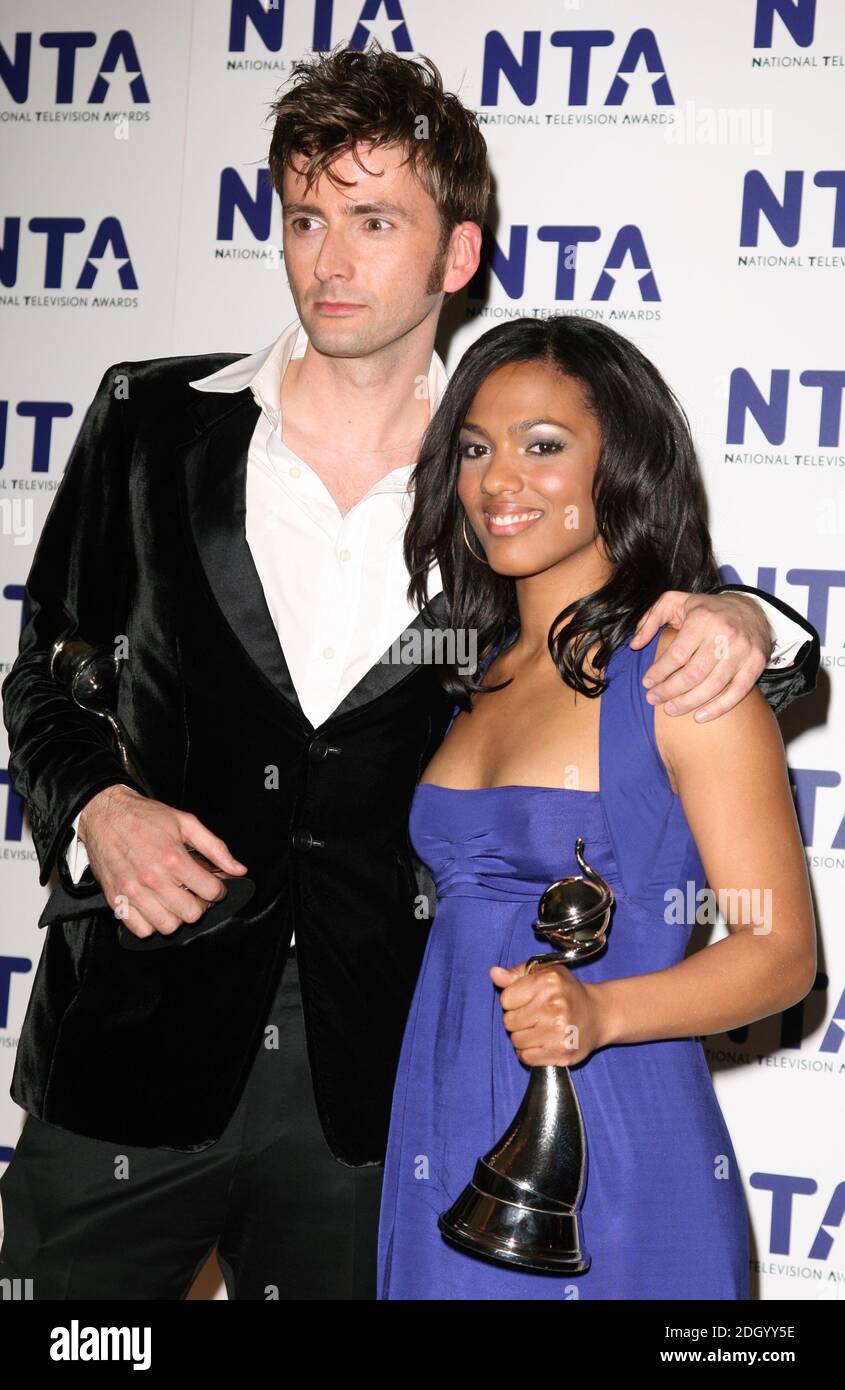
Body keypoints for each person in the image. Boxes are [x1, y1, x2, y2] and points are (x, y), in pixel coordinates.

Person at [0, 45, 818, 1302]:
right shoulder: (151, 420)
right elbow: (46, 675)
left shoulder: (497, 491)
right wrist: (98, 808)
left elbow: (638, 650)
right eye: (304, 218)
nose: (327, 259)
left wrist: (748, 616)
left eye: (373, 220)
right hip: (130, 1043)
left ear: (455, 256)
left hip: (381, 1081)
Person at [377, 313, 817, 1300]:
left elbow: (779, 952)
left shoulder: (682, 674)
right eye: (475, 448)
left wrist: (600, 1010)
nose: (497, 481)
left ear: (616, 464)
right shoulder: (467, 672)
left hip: (605, 1134)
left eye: (542, 446)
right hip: (442, 1117)